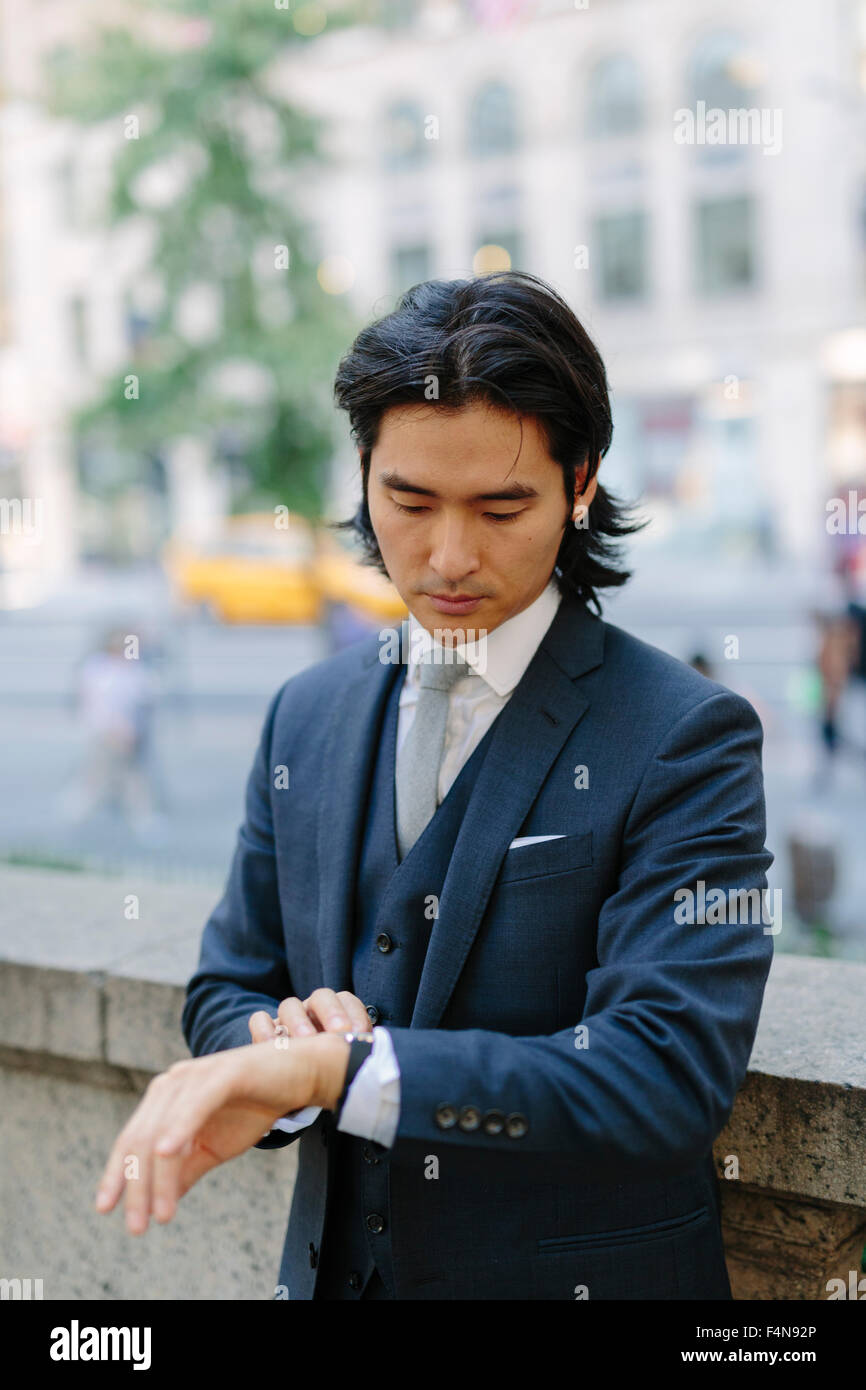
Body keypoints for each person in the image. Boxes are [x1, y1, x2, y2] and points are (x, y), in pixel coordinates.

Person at [95, 271, 774, 1301]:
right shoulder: (305, 712)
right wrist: (275, 1047)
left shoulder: (685, 734)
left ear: (579, 482)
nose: (448, 556)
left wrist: (344, 1074)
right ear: (363, 472)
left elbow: (663, 1071)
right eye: (407, 502)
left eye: (500, 506)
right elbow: (225, 986)